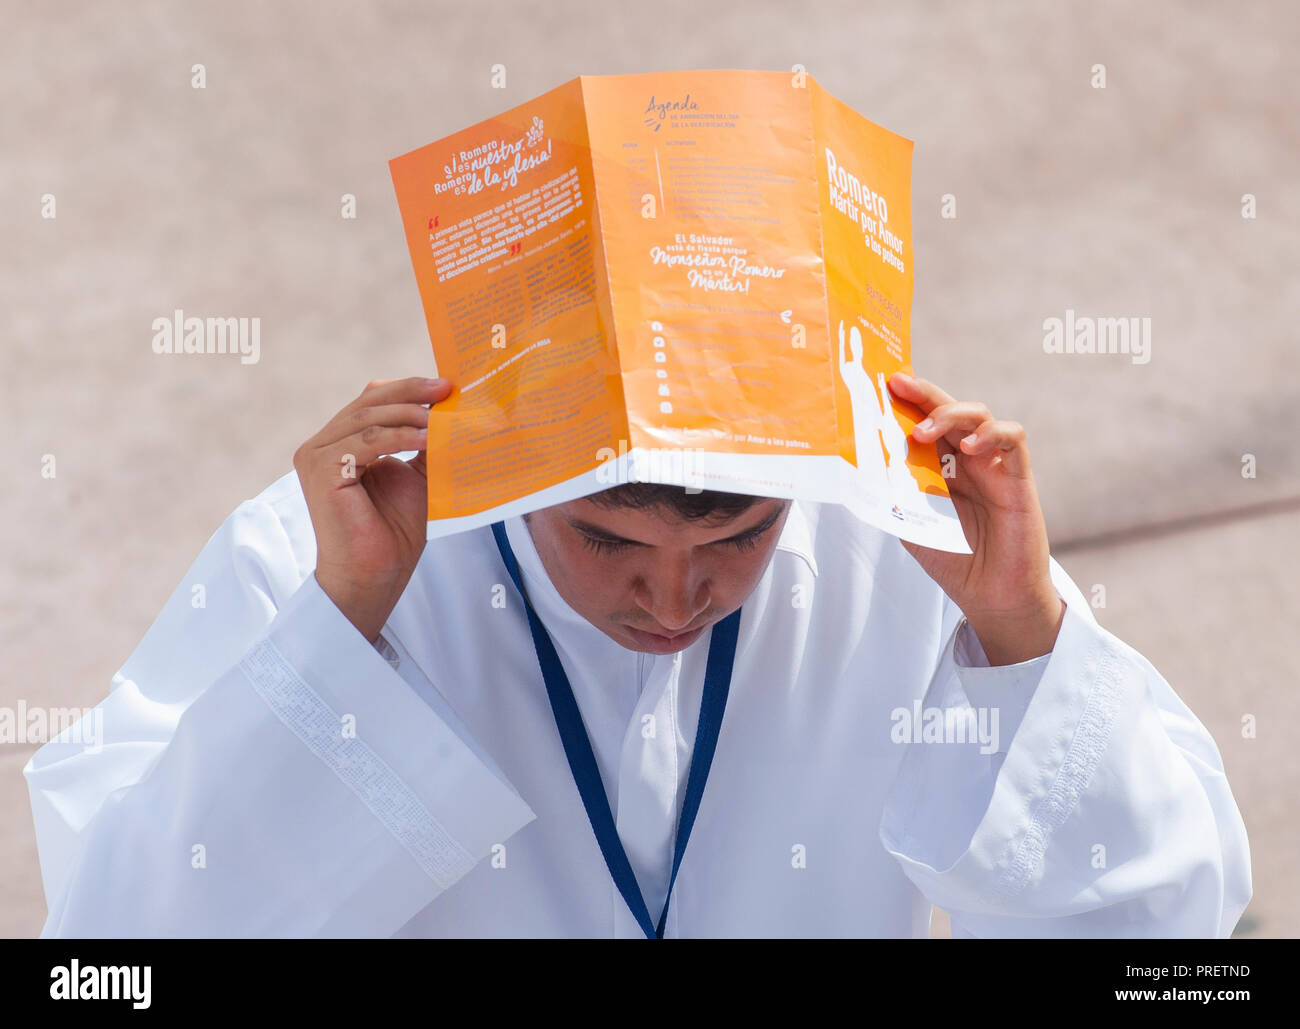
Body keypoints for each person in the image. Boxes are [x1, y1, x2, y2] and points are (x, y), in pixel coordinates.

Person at [24, 373, 1252, 937]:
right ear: (519, 484)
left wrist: (1022, 634)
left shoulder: (905, 548)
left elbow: (1167, 942)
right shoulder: (320, 552)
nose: (673, 597)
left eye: (740, 535)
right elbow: (113, 952)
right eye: (606, 539)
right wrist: (338, 628)